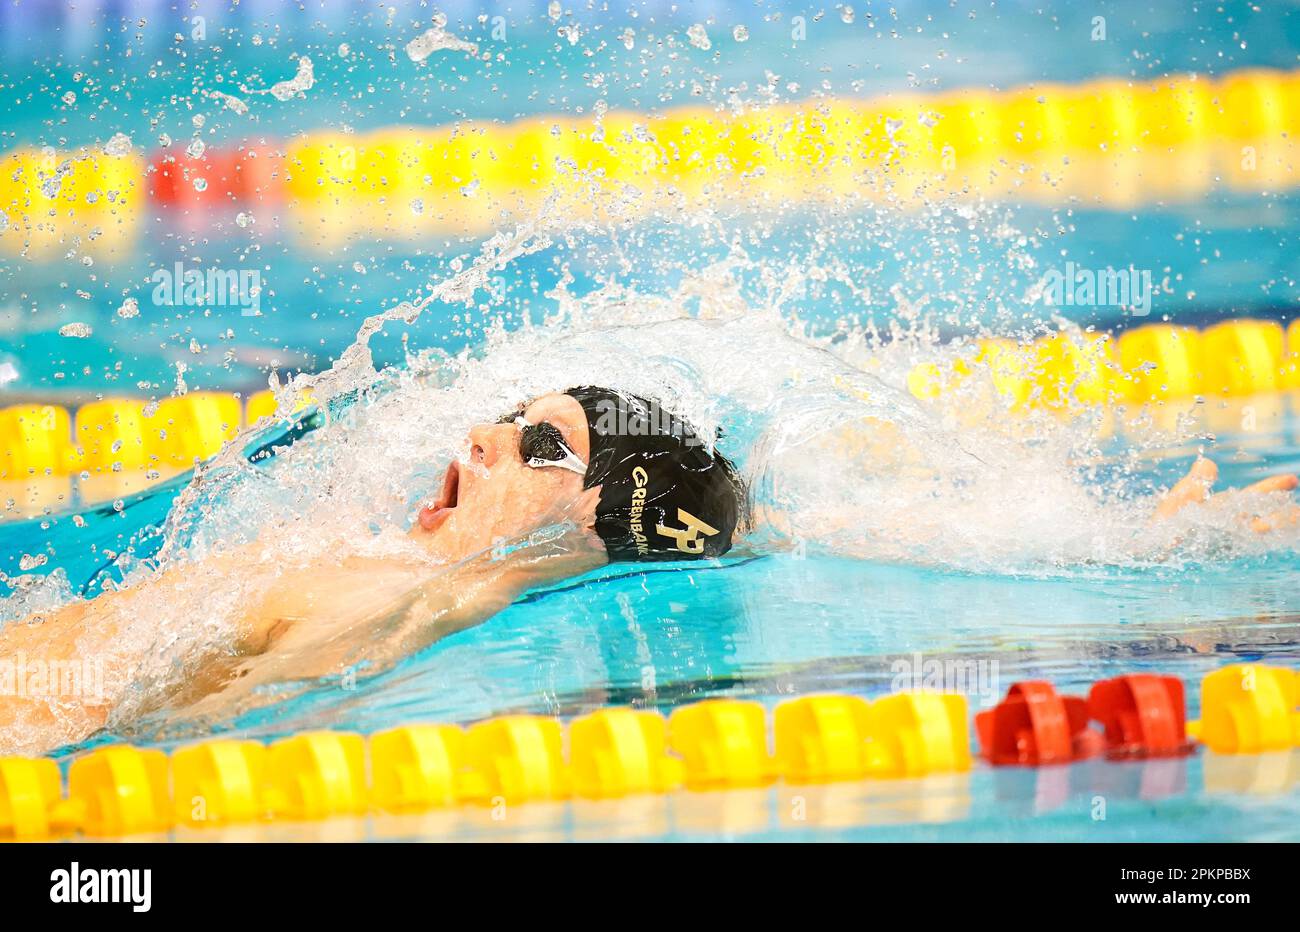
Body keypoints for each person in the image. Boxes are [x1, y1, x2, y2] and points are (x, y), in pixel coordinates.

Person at [0, 387, 746, 754]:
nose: (485, 436)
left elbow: (184, 744)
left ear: (590, 532)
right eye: (514, 415)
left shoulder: (397, 609)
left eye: (542, 446)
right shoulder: (375, 565)